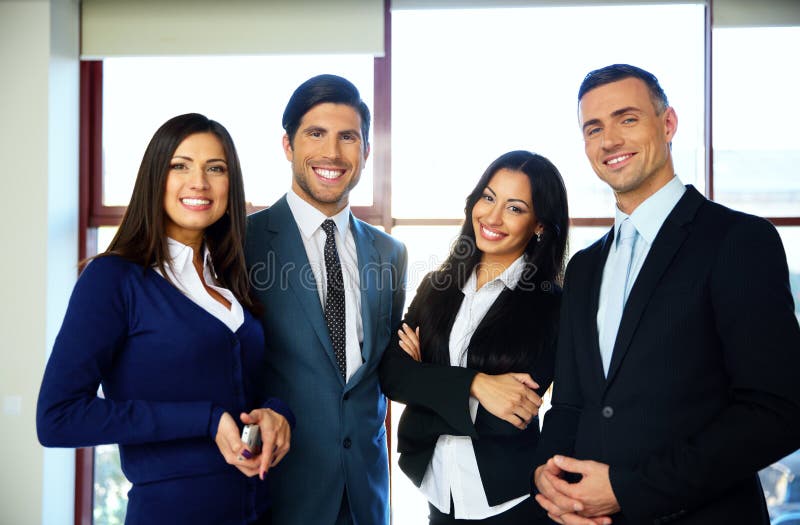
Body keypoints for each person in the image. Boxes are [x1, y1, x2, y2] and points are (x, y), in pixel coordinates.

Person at [532, 64, 800, 525]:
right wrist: (549, 475)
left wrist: (630, 490)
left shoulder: (738, 240)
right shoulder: (583, 267)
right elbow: (571, 403)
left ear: (668, 123)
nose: (610, 140)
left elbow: (778, 410)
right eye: (593, 128)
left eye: (627, 118)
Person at [36, 113, 295, 525]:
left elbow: (248, 387)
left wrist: (276, 412)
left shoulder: (232, 281)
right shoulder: (114, 279)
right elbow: (57, 419)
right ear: (155, 177)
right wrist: (204, 420)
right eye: (180, 166)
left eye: (216, 168)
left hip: (258, 511)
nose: (199, 183)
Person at [245, 74, 408, 525]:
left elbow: (383, 370)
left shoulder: (390, 253)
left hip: (366, 497)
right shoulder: (242, 242)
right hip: (277, 489)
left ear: (366, 151)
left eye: (348, 137)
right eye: (316, 134)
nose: (333, 153)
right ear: (288, 145)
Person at [379, 150, 569, 524]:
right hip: (439, 492)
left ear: (540, 225)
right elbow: (392, 373)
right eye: (488, 197)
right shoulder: (438, 286)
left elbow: (512, 412)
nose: (492, 217)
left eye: (515, 208)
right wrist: (478, 385)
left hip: (511, 501)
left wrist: (428, 386)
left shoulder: (552, 306)